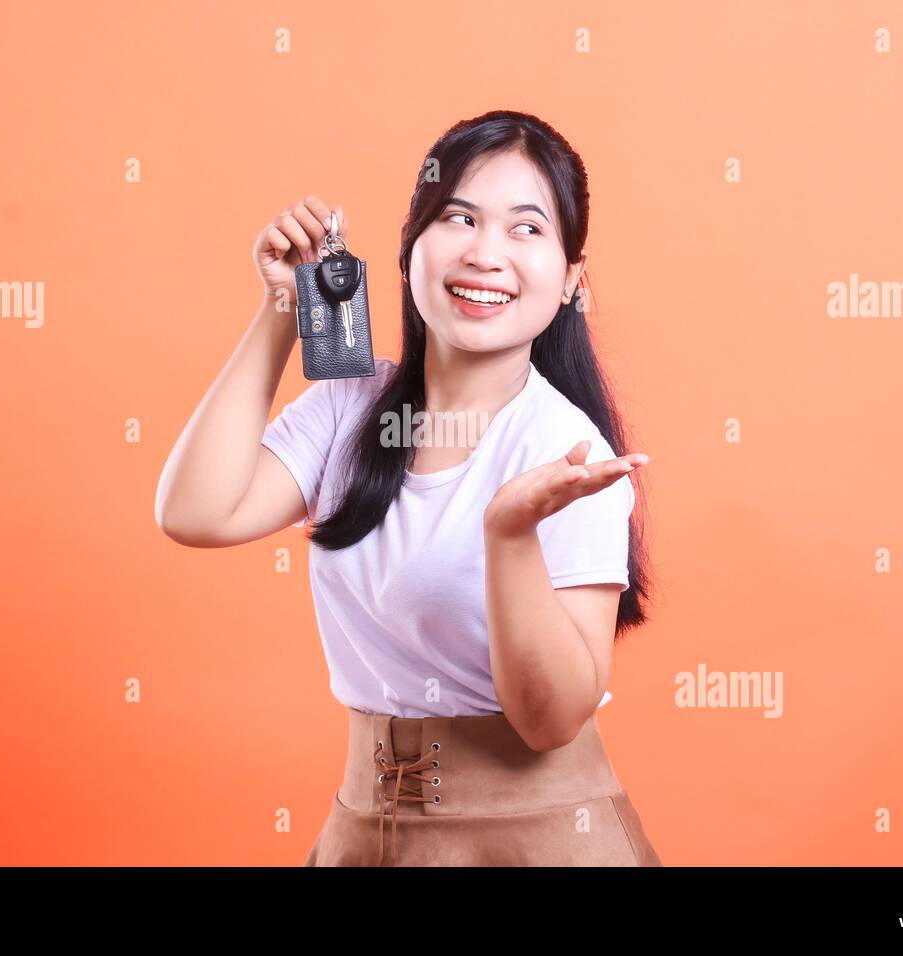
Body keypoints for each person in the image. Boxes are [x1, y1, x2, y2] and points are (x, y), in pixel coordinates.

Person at [156, 109, 663, 866]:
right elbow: (197, 511)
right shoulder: (349, 408)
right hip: (368, 833)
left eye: (526, 229)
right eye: (460, 216)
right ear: (409, 248)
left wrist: (511, 533)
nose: (486, 252)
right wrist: (284, 309)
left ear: (569, 280)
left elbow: (551, 721)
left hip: (542, 840)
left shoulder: (567, 451)